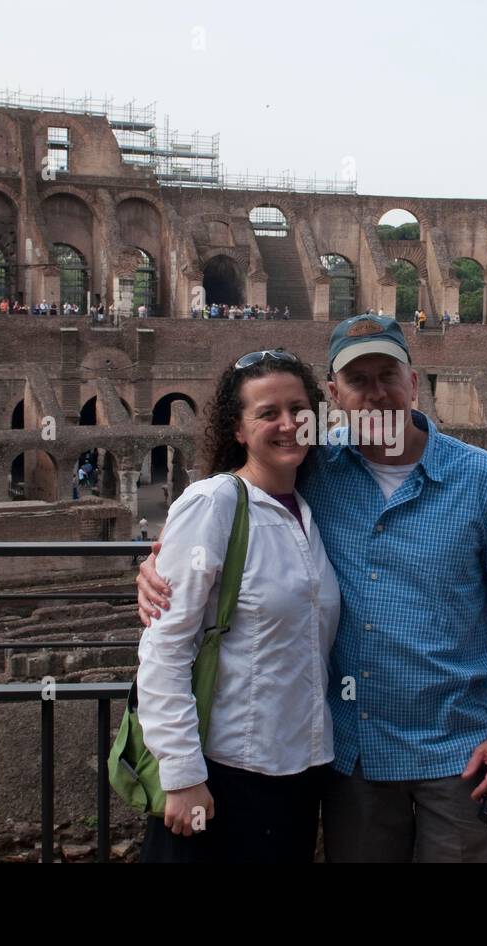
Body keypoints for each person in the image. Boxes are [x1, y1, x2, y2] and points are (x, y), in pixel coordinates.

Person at [139, 314, 487, 862]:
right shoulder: (318, 464)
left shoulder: (483, 479)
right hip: (354, 758)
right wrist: (157, 556)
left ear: (413, 381)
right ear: (335, 395)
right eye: (358, 380)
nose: (376, 391)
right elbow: (233, 491)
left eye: (389, 373)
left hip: (461, 754)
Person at [137, 348, 339, 863]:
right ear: (238, 430)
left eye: (299, 410)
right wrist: (180, 776)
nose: (289, 424)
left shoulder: (314, 511)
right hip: (226, 771)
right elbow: (164, 648)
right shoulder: (215, 503)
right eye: (268, 413)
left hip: (302, 770)